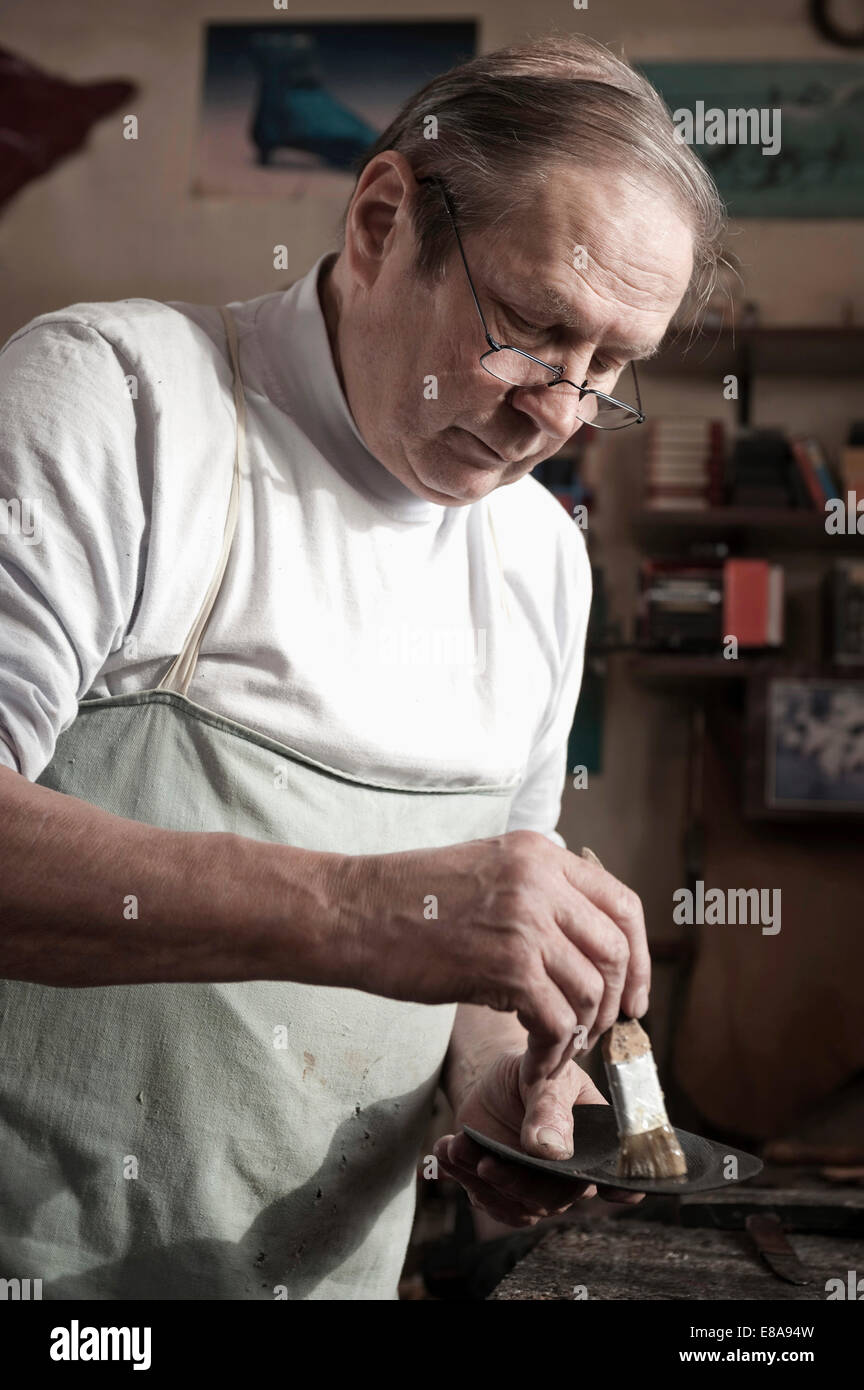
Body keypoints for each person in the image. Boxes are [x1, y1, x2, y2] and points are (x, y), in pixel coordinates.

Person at [0, 34, 725, 1299]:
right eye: (533, 328)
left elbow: (475, 963)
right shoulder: (117, 402)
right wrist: (365, 910)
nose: (561, 413)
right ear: (385, 220)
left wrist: (496, 1091)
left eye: (611, 367)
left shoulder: (543, 560)